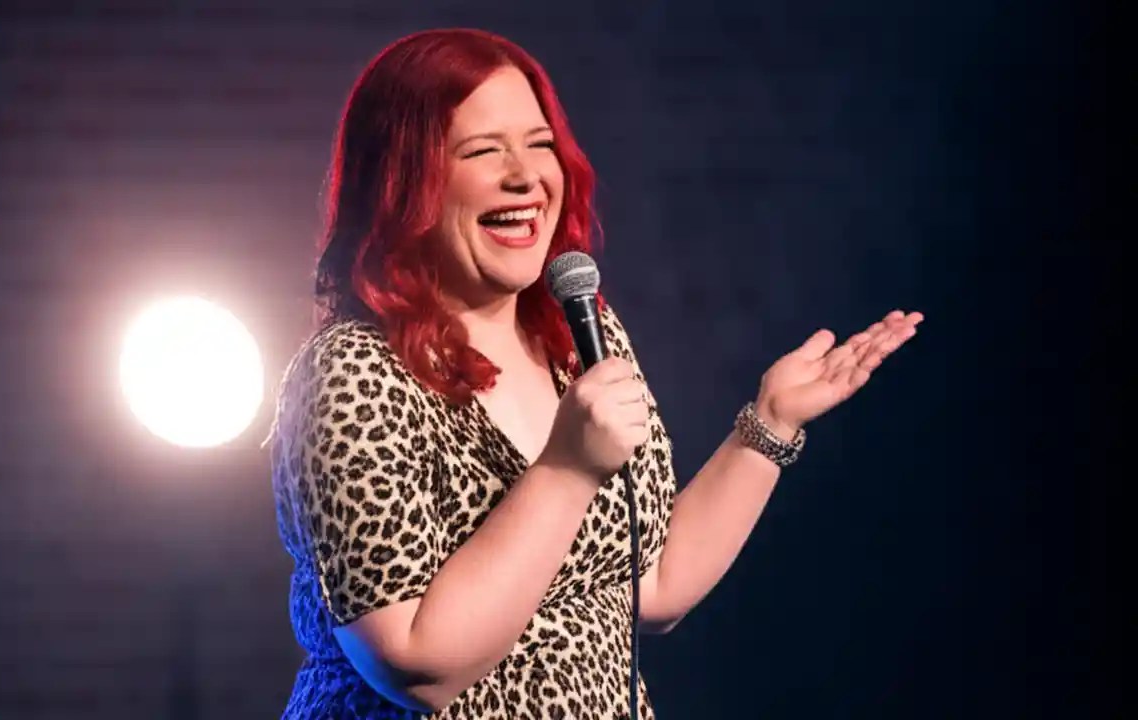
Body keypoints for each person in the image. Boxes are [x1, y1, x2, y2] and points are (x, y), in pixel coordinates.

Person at [263, 28, 923, 719]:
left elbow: (653, 582)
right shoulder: (352, 374)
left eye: (540, 144)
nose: (526, 175)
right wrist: (569, 468)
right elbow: (415, 664)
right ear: (406, 183)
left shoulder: (577, 333)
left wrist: (769, 425)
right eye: (485, 151)